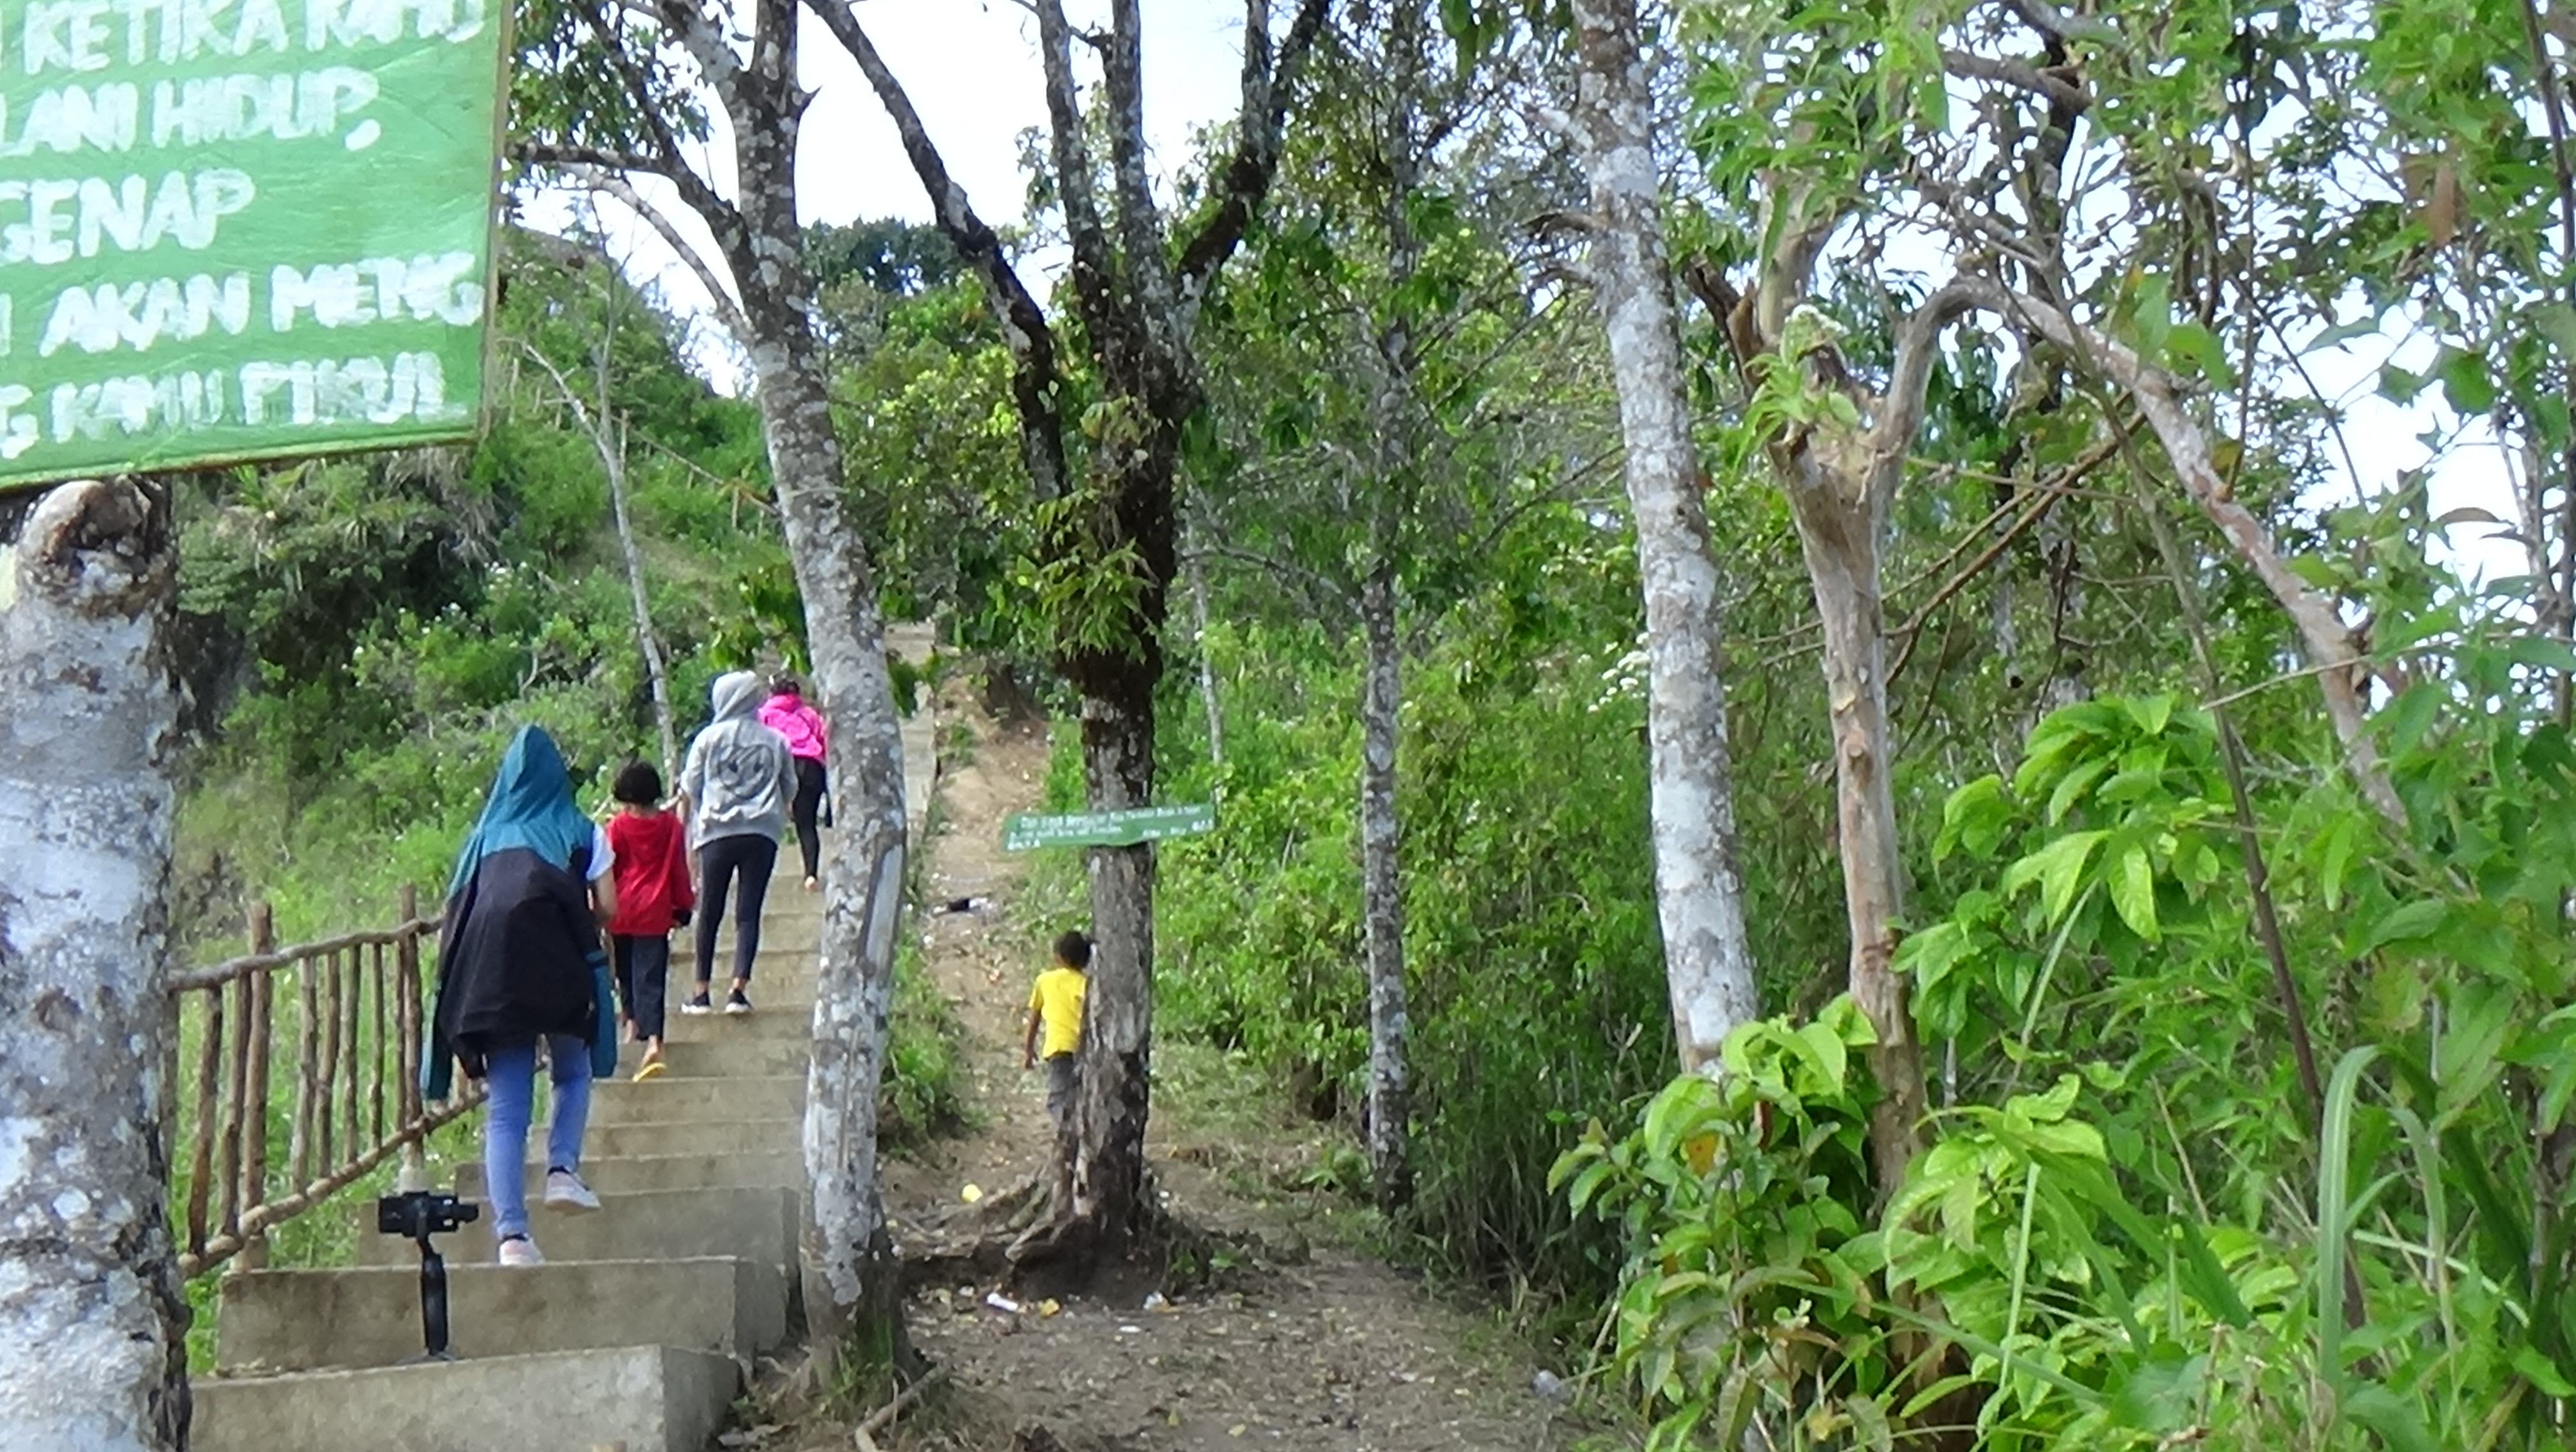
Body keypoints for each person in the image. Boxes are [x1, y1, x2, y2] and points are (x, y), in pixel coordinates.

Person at [425, 725, 613, 1267]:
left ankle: (513, 1238)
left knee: (507, 1109)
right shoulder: (580, 829)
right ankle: (562, 1170)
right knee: (571, 1070)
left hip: (488, 974)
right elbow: (610, 907)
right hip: (558, 962)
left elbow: (456, 911)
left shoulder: (480, 839)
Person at [678, 670, 796, 1016]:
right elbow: (789, 787)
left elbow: (691, 787)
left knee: (709, 911)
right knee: (749, 911)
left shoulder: (707, 739)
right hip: (762, 833)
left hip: (716, 832)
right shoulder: (776, 740)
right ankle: (738, 990)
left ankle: (701, 991)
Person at [607, 760, 694, 1081]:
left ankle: (631, 1026)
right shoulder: (671, 826)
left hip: (622, 909)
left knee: (625, 973)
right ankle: (654, 1039)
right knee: (651, 977)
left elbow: (609, 868)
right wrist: (683, 905)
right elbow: (678, 870)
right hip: (655, 911)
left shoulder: (617, 827)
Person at [758, 672, 831, 892]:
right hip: (812, 766)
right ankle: (811, 874)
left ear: (772, 693)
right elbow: (823, 739)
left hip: (783, 765)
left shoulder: (764, 714)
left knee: (765, 822)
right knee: (807, 824)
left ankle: (759, 871)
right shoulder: (808, 714)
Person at [1021, 930, 1091, 1131]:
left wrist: (1028, 1050)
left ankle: (1070, 1133)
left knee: (1058, 1099)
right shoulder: (1088, 984)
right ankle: (1081, 1132)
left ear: (1060, 957)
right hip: (1087, 1050)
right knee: (1083, 1097)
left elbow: (1034, 1019)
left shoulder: (1045, 981)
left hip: (1060, 1048)